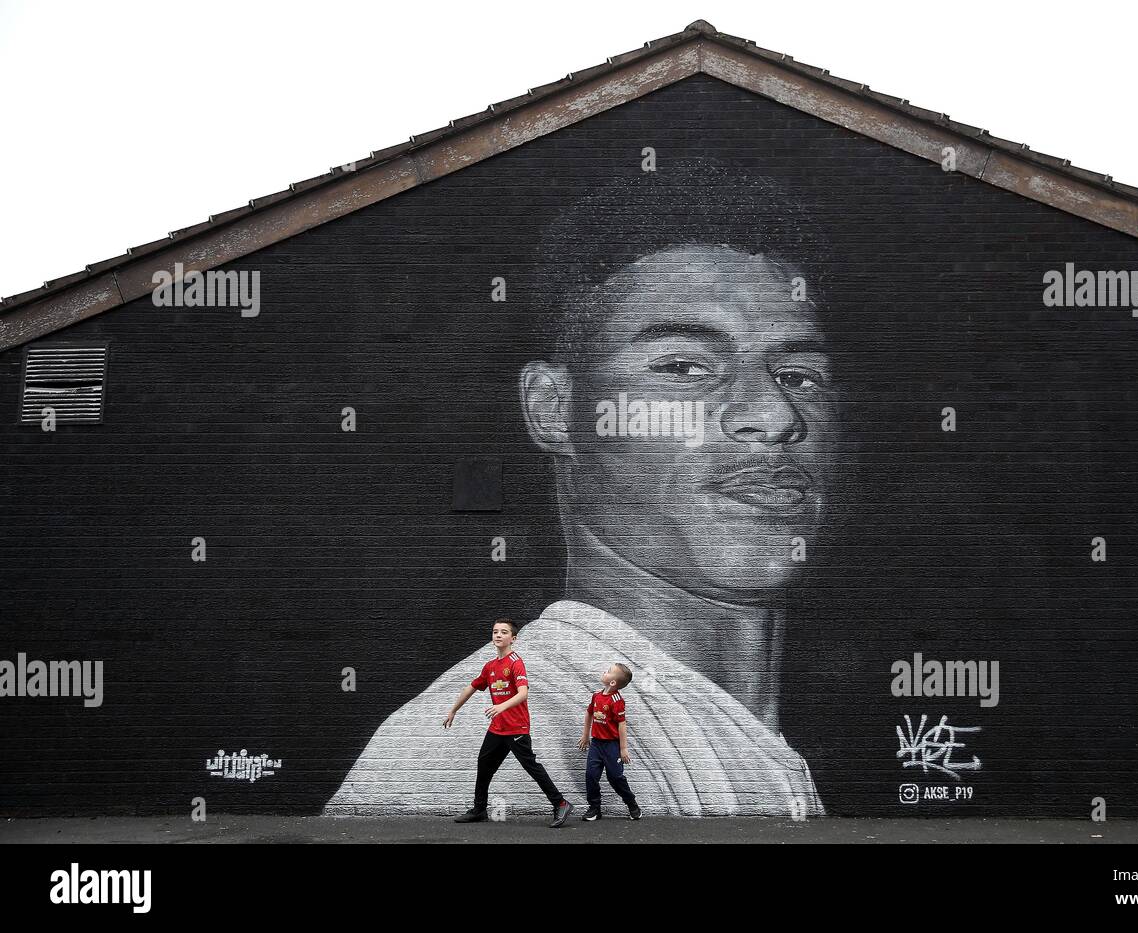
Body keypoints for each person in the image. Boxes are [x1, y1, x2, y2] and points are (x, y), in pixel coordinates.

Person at [326, 160, 839, 817]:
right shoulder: (478, 751)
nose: (773, 416)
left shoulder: (757, 743)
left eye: (798, 374)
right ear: (554, 409)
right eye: (683, 367)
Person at [443, 618, 574, 827]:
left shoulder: (515, 662)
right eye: (495, 631)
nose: (498, 635)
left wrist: (501, 707)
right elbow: (471, 687)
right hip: (497, 728)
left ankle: (560, 803)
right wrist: (453, 710)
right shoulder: (490, 666)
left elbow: (523, 693)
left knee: (531, 766)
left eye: (504, 632)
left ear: (513, 638)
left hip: (516, 727)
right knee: (484, 765)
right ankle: (479, 809)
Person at [579, 662, 640, 821]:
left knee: (615, 777)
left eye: (608, 671)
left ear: (613, 682)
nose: (604, 672)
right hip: (597, 744)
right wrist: (586, 735)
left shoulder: (617, 700)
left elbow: (622, 724)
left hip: (612, 745)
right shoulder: (596, 696)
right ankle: (594, 808)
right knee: (591, 775)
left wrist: (623, 748)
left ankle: (631, 804)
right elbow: (589, 714)